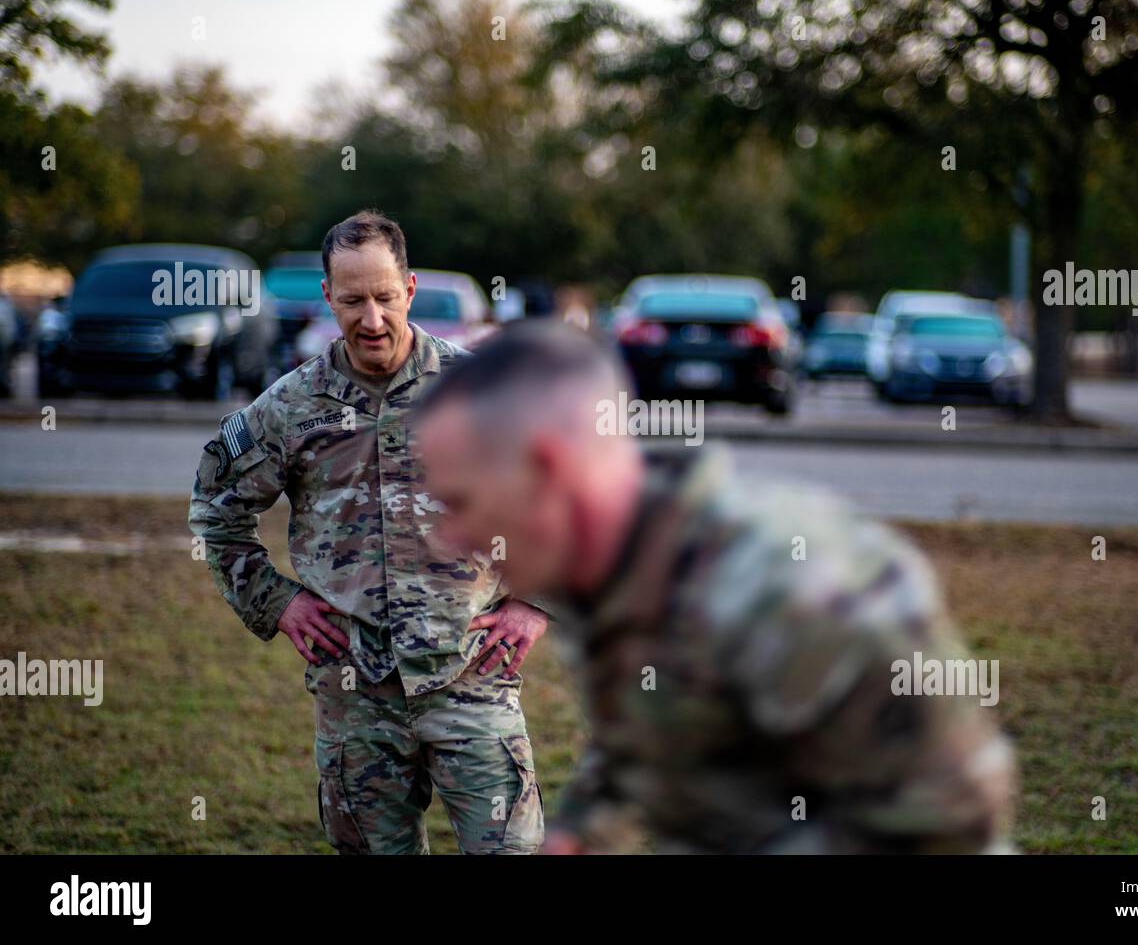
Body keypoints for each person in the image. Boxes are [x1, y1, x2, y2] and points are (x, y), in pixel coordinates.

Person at [414, 320, 1016, 853]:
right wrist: (582, 832)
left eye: (459, 503)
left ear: (547, 471)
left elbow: (948, 823)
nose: (446, 538)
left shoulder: (788, 585)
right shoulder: (614, 574)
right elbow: (654, 726)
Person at [188, 210, 548, 854]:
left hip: (471, 681)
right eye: (353, 301)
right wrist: (277, 600)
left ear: (409, 289)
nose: (372, 319)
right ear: (327, 296)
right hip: (354, 694)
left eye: (385, 297)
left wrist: (534, 603)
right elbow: (216, 509)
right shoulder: (290, 407)